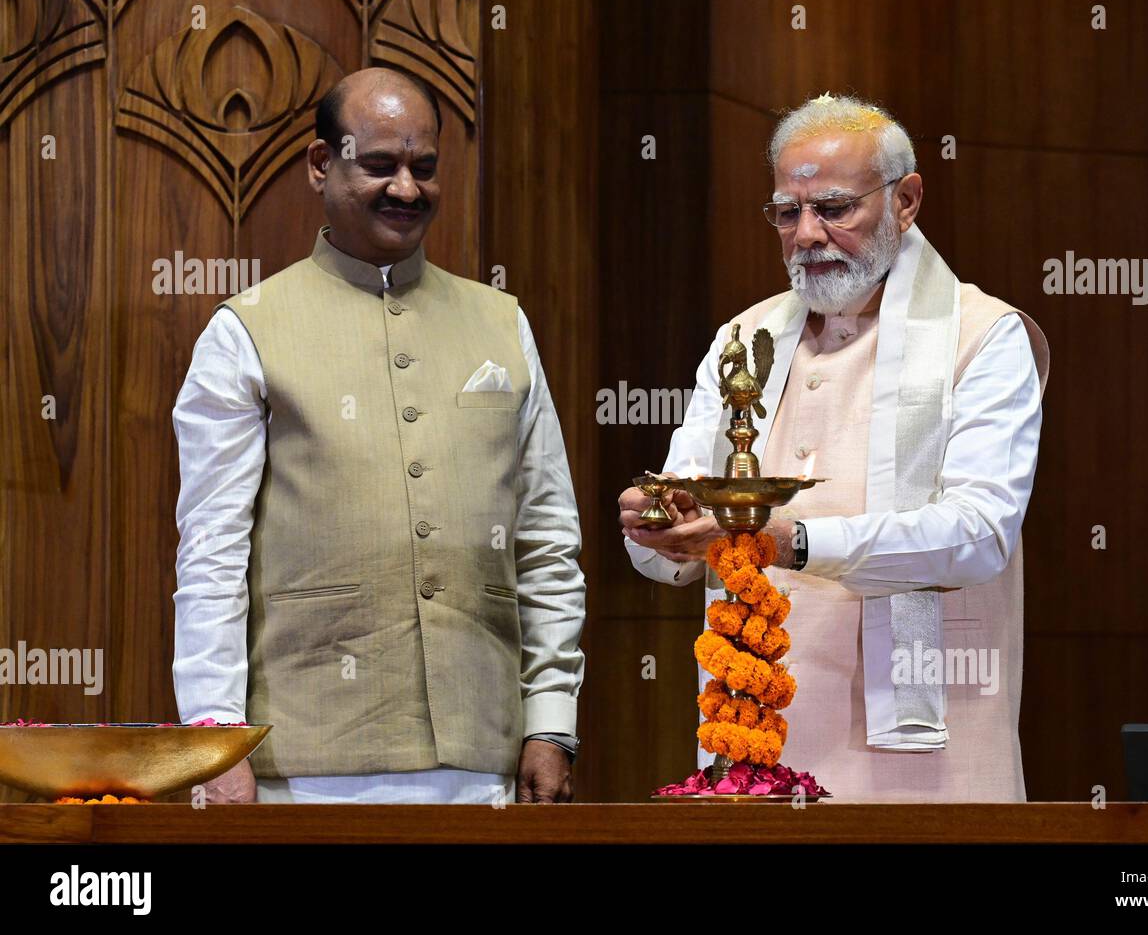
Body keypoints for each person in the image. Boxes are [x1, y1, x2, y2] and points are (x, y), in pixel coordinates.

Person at [619, 93, 1049, 801]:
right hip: (753, 744)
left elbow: (978, 533)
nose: (808, 234)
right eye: (788, 212)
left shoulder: (985, 335)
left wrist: (796, 542)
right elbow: (673, 531)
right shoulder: (743, 341)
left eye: (836, 208)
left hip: (924, 753)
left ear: (906, 199)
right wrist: (656, 521)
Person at [172, 67, 585, 804]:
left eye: (423, 168)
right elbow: (212, 553)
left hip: (482, 762)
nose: (406, 188)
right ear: (320, 164)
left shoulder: (502, 323)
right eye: (380, 165)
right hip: (304, 767)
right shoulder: (246, 331)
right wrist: (214, 737)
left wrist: (551, 724)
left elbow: (548, 540)